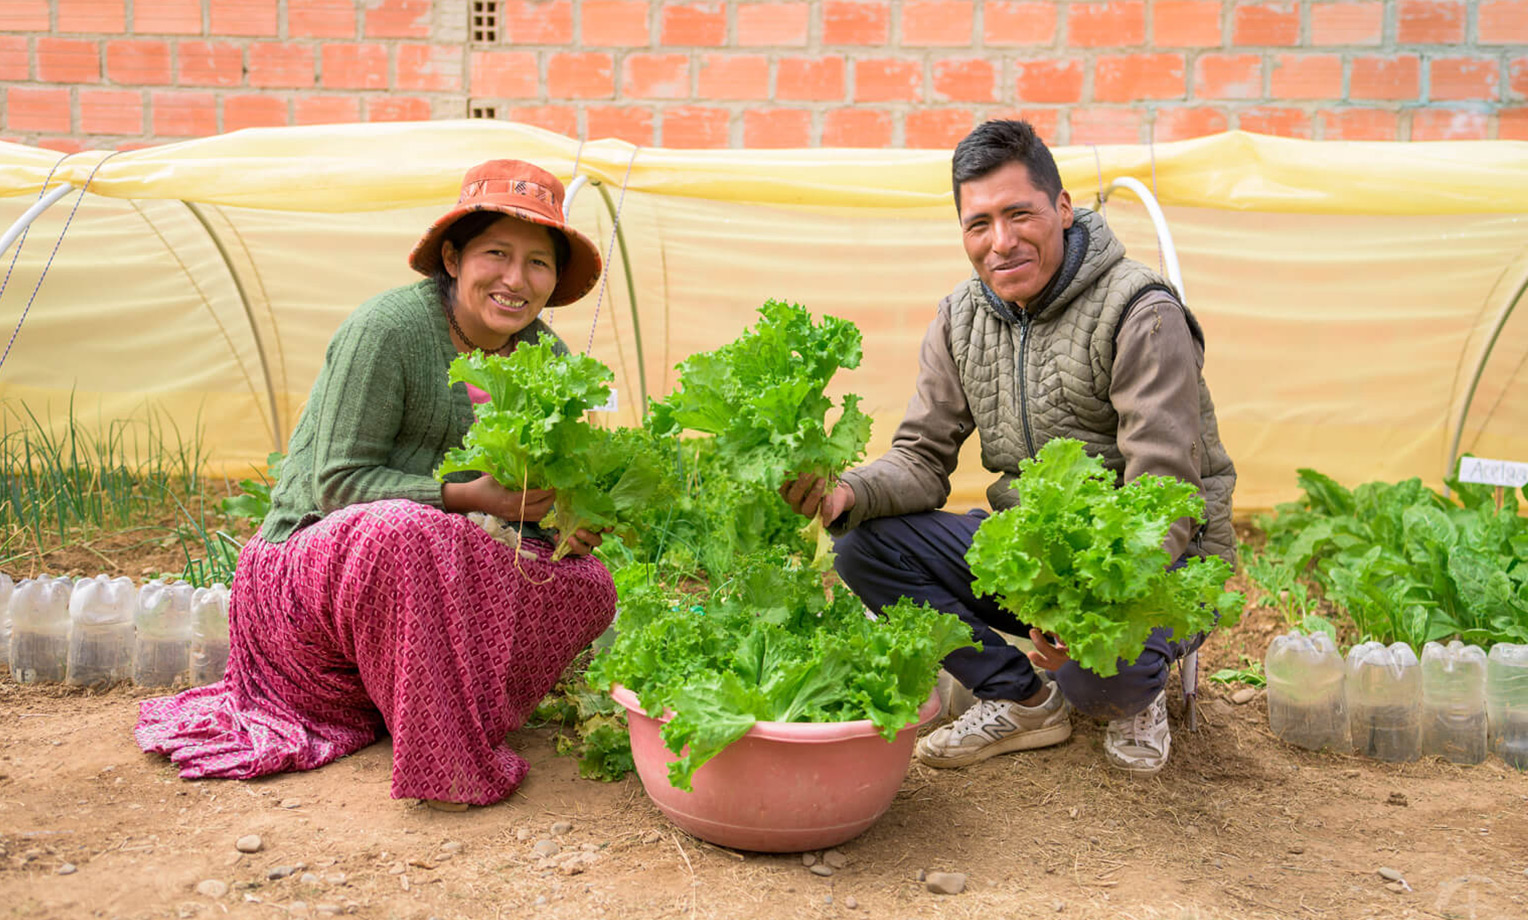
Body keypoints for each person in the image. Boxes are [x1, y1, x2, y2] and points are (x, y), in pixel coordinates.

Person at [135, 159, 618, 808]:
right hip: (310, 574)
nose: (515, 278)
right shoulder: (387, 332)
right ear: (452, 257)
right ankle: (445, 763)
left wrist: (564, 521)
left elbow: (531, 497)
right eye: (496, 253)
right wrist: (470, 496)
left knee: (588, 584)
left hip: (439, 562)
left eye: (538, 262)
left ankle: (446, 705)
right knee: (405, 531)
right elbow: (338, 483)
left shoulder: (547, 358)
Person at [782, 120, 1236, 776]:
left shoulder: (1141, 312)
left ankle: (1131, 697)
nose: (1001, 242)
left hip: (1157, 570)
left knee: (1101, 680)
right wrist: (848, 490)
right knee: (862, 545)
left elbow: (1164, 495)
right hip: (1038, 557)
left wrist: (1079, 604)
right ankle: (1022, 698)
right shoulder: (961, 320)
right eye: (979, 223)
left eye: (1020, 213)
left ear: (1062, 207)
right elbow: (920, 456)